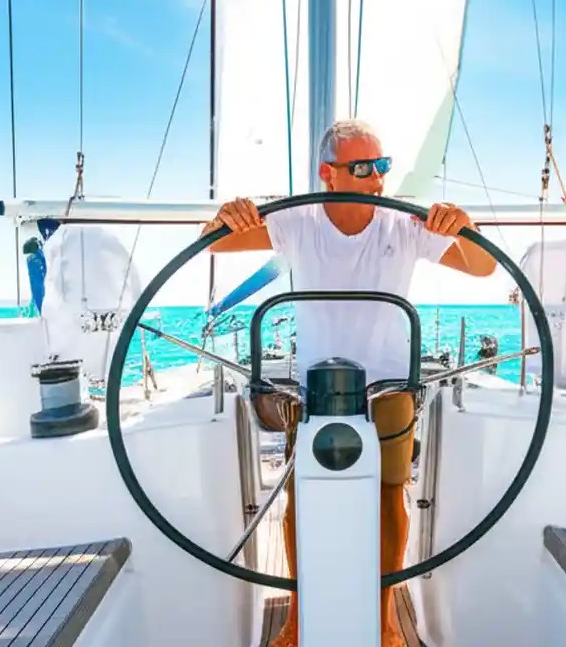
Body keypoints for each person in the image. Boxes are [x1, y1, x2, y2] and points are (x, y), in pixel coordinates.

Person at [202, 119, 496, 647]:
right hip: (315, 391)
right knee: (302, 502)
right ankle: (298, 619)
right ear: (328, 174)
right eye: (363, 168)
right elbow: (214, 245)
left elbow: (482, 267)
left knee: (388, 502)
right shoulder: (297, 221)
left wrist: (464, 226)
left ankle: (385, 621)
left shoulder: (405, 224)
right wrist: (224, 217)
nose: (378, 179)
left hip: (389, 387)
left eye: (382, 166)